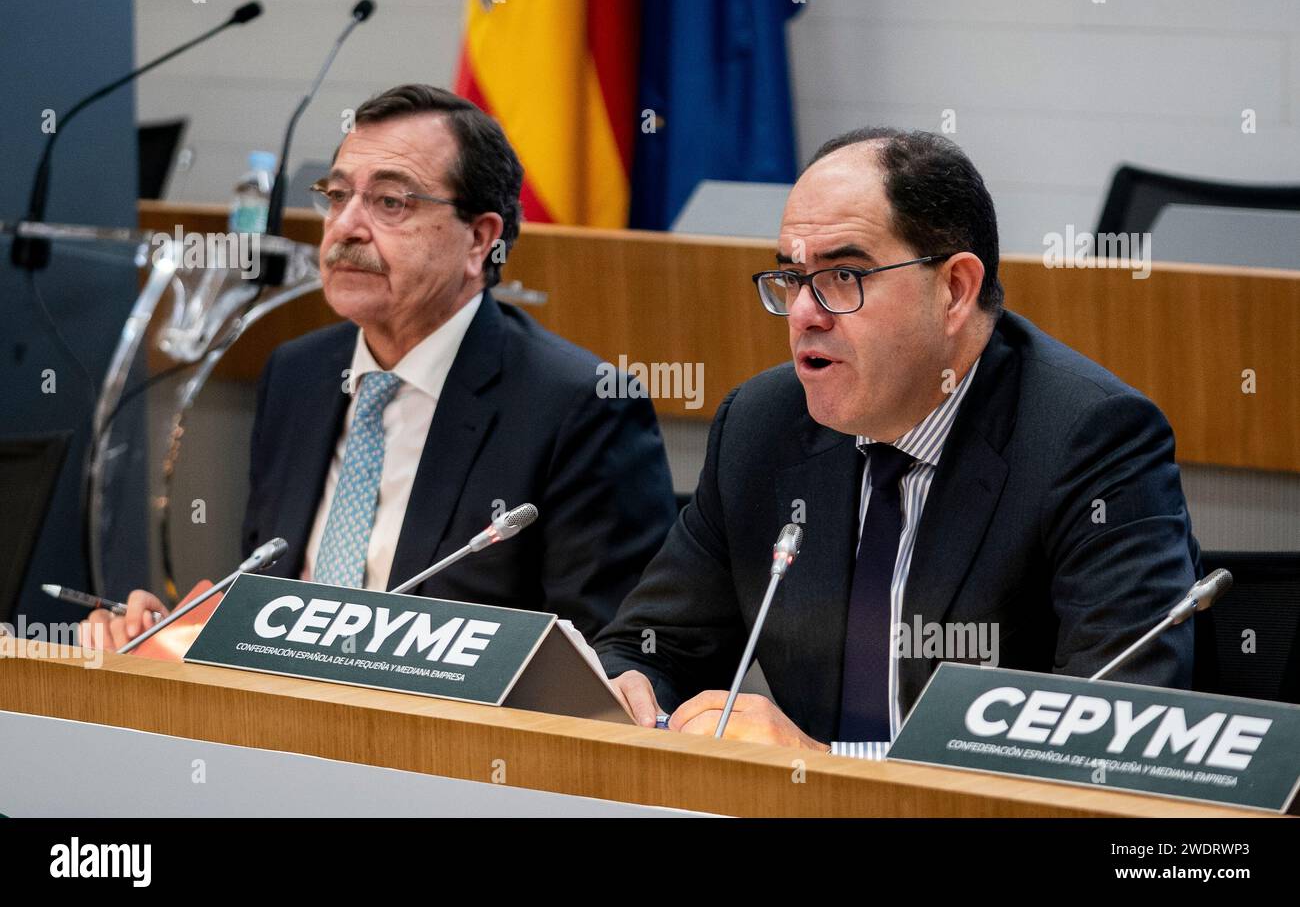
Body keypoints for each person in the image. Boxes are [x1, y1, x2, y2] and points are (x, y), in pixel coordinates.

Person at [595, 128, 1199, 756]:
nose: (804, 312)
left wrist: (824, 779)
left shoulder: (1092, 443)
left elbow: (1112, 735)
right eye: (791, 278)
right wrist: (631, 689)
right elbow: (652, 647)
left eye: (844, 275)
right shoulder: (761, 425)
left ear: (955, 290)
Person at [84, 84, 677, 650]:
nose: (345, 228)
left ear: (479, 240)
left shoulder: (579, 405)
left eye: (391, 202)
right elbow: (272, 599)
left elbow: (602, 667)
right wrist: (178, 635)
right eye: (337, 196)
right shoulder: (298, 374)